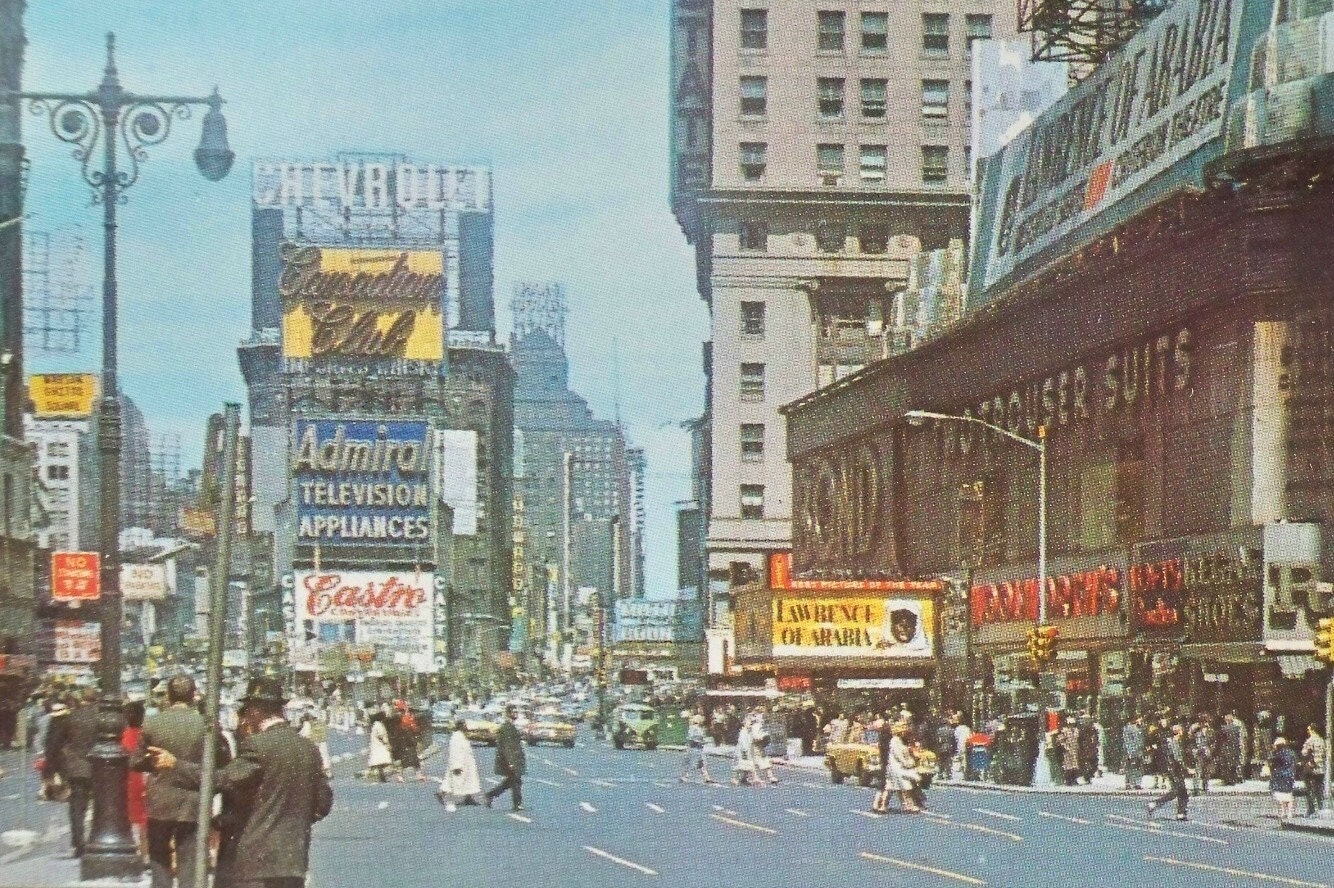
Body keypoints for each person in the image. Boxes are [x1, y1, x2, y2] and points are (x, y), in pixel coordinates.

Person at [148, 677, 333, 888]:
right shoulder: (307, 747)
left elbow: (222, 780)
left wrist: (175, 765)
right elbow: (323, 803)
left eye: (246, 711)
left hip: (256, 861)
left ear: (256, 711)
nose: (245, 719)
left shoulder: (257, 746)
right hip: (294, 860)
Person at [45, 688, 99, 858]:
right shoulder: (102, 716)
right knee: (101, 806)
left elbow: (55, 744)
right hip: (99, 766)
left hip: (75, 767)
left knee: (77, 806)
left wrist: (52, 768)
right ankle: (96, 839)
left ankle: (78, 842)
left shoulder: (72, 717)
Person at [484, 706, 526, 811]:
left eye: (517, 712)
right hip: (509, 760)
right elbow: (508, 747)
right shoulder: (507, 728)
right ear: (508, 714)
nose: (516, 714)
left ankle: (490, 795)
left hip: (510, 759)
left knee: (512, 781)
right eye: (514, 712)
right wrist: (511, 763)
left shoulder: (509, 726)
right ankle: (516, 804)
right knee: (515, 781)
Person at [1147, 723, 1191, 821]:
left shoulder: (1171, 742)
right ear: (1179, 732)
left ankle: (1181, 813)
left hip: (1172, 769)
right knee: (1178, 791)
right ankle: (1155, 803)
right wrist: (1186, 768)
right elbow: (1177, 758)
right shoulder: (1173, 742)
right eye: (1181, 730)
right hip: (1175, 769)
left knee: (1181, 791)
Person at [437, 719, 484, 811]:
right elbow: (454, 752)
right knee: (454, 781)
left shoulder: (462, 736)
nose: (466, 727)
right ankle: (445, 797)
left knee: (468, 781)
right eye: (464, 725)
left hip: (467, 763)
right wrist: (456, 765)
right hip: (459, 763)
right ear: (460, 726)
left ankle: (468, 797)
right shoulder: (456, 737)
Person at [122, 701, 148, 860]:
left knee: (131, 818)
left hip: (128, 781)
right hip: (144, 779)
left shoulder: (121, 736)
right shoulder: (146, 735)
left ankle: (133, 851)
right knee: (145, 819)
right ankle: (145, 853)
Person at [885, 722, 922, 813]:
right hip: (897, 767)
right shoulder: (895, 741)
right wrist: (907, 763)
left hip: (898, 767)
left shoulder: (900, 740)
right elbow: (899, 756)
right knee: (906, 787)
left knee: (895, 788)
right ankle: (910, 806)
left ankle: (904, 805)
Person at [679, 714, 716, 785]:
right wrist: (703, 741)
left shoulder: (698, 728)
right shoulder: (694, 728)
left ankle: (706, 778)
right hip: (694, 748)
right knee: (690, 762)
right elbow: (694, 738)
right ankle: (684, 777)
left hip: (698, 748)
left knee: (702, 763)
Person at [1270, 736, 1298, 821]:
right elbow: (1294, 762)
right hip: (1289, 775)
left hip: (1280, 776)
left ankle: (1283, 811)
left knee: (1280, 794)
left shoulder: (1278, 754)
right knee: (1288, 794)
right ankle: (1289, 813)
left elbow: (1273, 764)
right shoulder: (1292, 752)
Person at [1301, 724, 1326, 816]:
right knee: (1319, 790)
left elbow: (1304, 753)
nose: (1308, 732)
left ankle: (1311, 809)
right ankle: (1320, 807)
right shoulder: (1322, 741)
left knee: (1309, 790)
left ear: (1312, 730)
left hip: (1311, 768)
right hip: (1321, 769)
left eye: (1308, 730)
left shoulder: (1310, 741)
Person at [1190, 714, 1216, 795]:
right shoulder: (1196, 731)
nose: (1204, 724)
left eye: (1206, 722)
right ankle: (1196, 788)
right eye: (1203, 722)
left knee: (1206, 771)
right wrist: (1194, 750)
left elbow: (1213, 742)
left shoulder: (1211, 731)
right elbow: (1191, 740)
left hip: (1207, 752)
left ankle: (1205, 786)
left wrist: (1210, 750)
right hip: (1198, 752)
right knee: (1197, 770)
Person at [751, 712, 778, 786]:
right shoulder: (756, 726)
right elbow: (755, 737)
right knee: (754, 762)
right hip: (754, 747)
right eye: (761, 717)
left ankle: (770, 776)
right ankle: (755, 777)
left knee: (764, 760)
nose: (763, 719)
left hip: (759, 746)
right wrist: (763, 737)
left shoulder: (761, 726)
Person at [366, 713, 392, 783]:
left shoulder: (374, 725)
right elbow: (380, 735)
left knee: (379, 762)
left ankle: (382, 777)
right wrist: (385, 742)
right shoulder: (378, 725)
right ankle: (382, 777)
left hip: (376, 745)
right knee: (382, 761)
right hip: (380, 745)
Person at [1218, 713, 1243, 786]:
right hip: (1235, 748)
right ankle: (1233, 779)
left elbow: (1221, 740)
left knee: (1226, 764)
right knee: (1234, 764)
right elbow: (1239, 739)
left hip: (1226, 748)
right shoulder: (1237, 728)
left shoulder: (1223, 729)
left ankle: (1227, 779)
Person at [1122, 716, 1145, 791]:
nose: (1140, 720)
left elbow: (1142, 740)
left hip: (1139, 751)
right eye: (1138, 718)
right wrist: (1130, 752)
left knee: (1138, 767)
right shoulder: (1128, 728)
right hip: (1131, 751)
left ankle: (1137, 783)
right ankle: (1128, 783)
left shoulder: (1141, 728)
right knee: (1130, 767)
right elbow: (1127, 741)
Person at [731, 717, 755, 786]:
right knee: (739, 764)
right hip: (742, 751)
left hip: (748, 750)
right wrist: (745, 750)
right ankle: (734, 778)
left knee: (747, 765)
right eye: (749, 721)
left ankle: (744, 778)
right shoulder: (743, 731)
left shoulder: (749, 732)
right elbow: (742, 742)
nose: (750, 723)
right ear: (744, 723)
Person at [1057, 718, 1081, 786]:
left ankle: (1074, 780)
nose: (1072, 726)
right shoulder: (1065, 731)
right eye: (1071, 724)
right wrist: (1065, 746)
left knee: (1075, 766)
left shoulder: (1076, 731)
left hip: (1075, 750)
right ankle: (1068, 781)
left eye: (1073, 724)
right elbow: (1060, 739)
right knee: (1068, 767)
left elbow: (1078, 739)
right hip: (1068, 751)